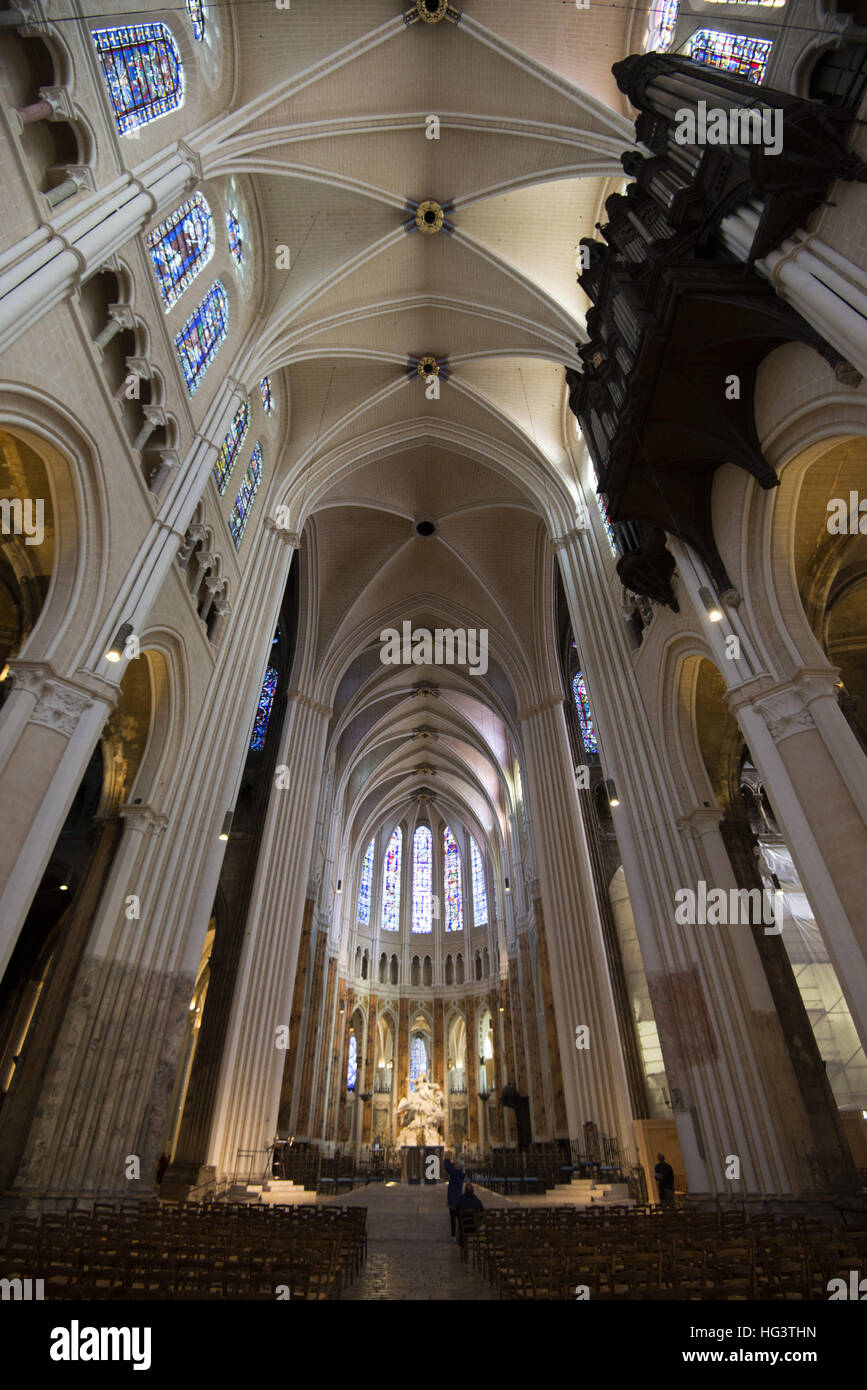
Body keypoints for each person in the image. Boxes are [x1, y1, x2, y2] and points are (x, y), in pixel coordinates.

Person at [443, 1149, 465, 1237]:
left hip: (454, 1199)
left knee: (453, 1218)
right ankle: (460, 1234)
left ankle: (454, 1235)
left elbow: (448, 1168)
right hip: (458, 1198)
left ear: (458, 1166)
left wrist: (447, 1158)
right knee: (458, 1218)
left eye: (455, 1164)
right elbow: (451, 1167)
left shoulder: (456, 1173)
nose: (454, 1164)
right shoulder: (460, 1173)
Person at [456, 1182, 484, 1248]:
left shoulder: (461, 1200)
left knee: (459, 1221)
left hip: (464, 1227)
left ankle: (462, 1243)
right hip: (474, 1227)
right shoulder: (476, 1200)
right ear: (473, 1190)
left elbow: (457, 1213)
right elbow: (482, 1212)